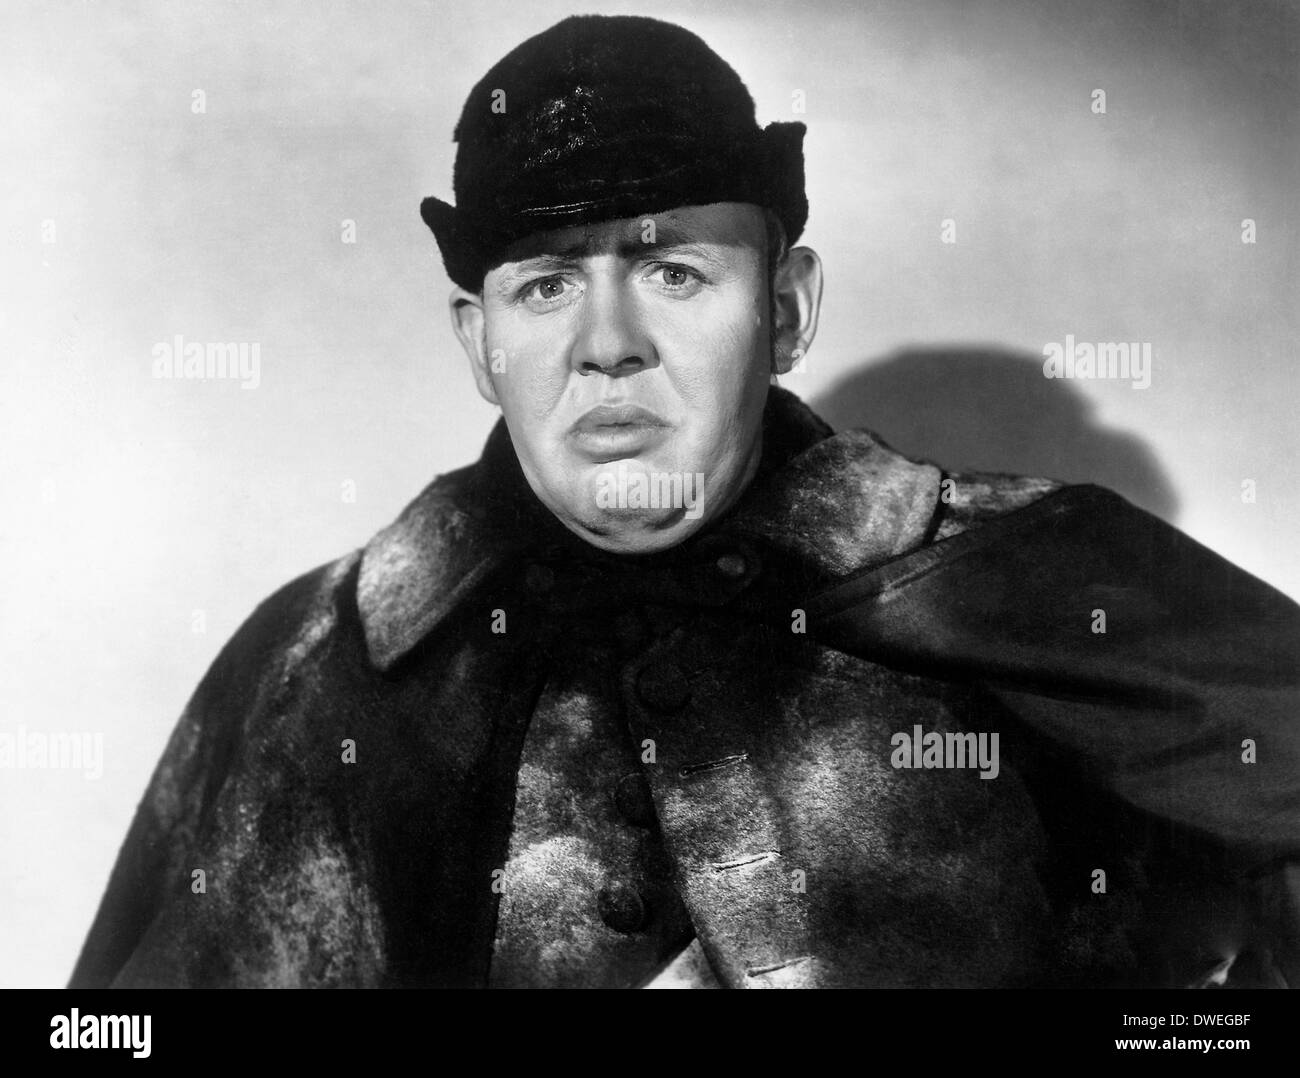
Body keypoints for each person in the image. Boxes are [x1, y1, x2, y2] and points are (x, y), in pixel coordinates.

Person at [70, 14, 1298, 989]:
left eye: (672, 270)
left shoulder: (1027, 579)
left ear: (784, 310)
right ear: (478, 341)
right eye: (546, 285)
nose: (608, 343)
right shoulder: (318, 662)